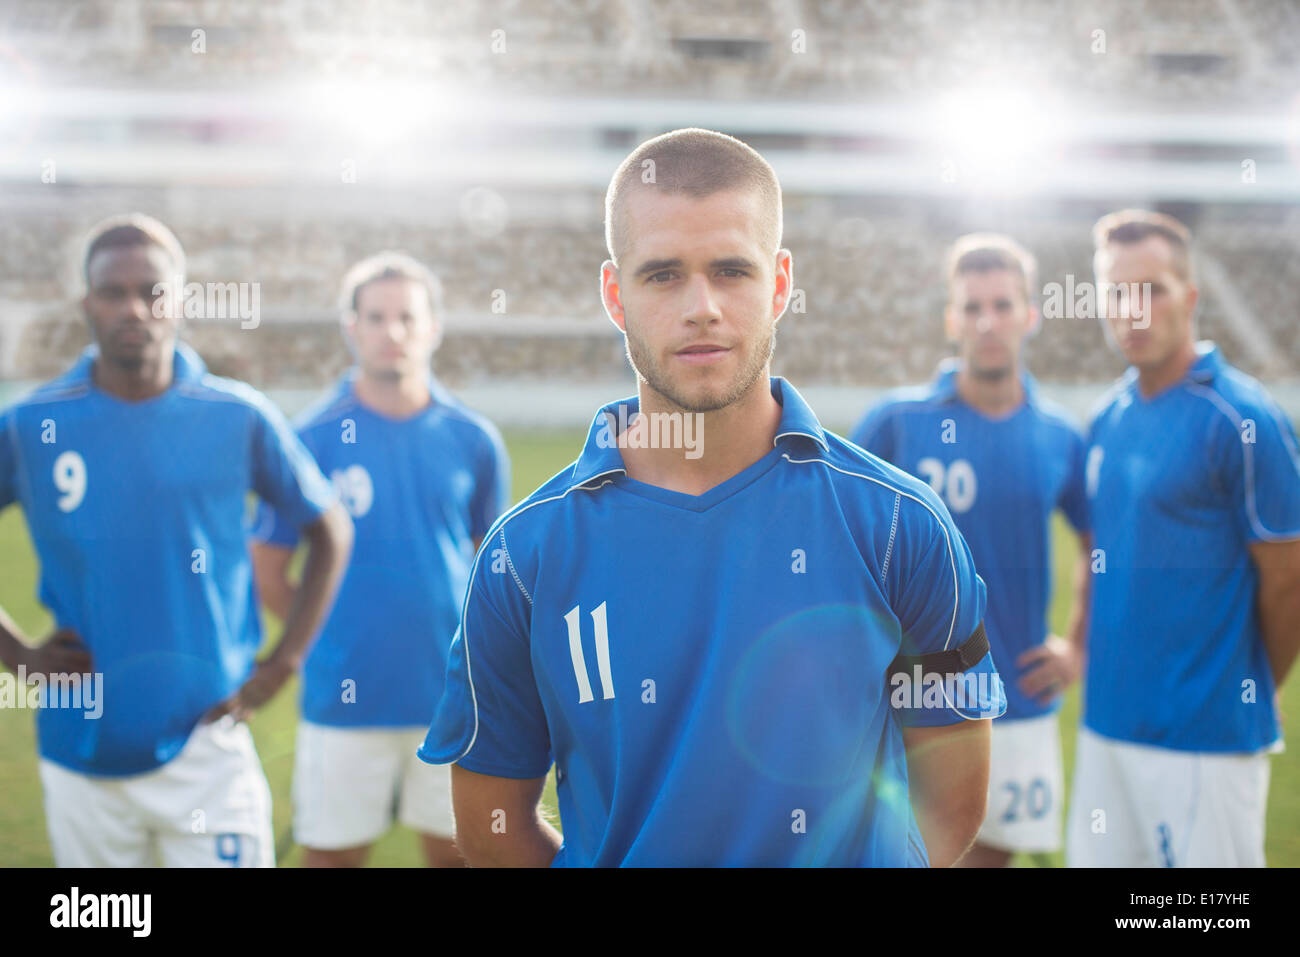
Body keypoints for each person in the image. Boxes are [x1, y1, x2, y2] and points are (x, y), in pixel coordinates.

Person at [418, 128, 1005, 867]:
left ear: (780, 284)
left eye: (731, 271)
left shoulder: (899, 526)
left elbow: (950, 804)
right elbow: (490, 828)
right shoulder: (523, 555)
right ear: (615, 295)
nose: (702, 307)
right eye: (663, 275)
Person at [0, 213, 352, 867]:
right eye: (113, 292)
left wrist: (284, 662)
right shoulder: (31, 424)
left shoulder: (237, 415)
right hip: (82, 752)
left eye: (152, 291)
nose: (134, 308)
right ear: (87, 304)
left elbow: (330, 527)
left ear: (181, 301)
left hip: (209, 741)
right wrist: (17, 654)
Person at [252, 252, 510, 867]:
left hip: (451, 697)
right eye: (375, 317)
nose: (392, 331)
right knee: (332, 859)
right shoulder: (310, 438)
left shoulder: (473, 439)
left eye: (407, 317)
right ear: (352, 327)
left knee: (459, 856)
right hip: (345, 699)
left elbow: (493, 571)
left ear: (433, 328)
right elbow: (267, 567)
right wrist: (331, 638)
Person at [1066, 208, 1300, 867]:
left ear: (1190, 297)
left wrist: (1248, 683)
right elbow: (1099, 549)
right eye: (1117, 293)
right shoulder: (1107, 416)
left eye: (1153, 290)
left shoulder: (1242, 418)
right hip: (1106, 727)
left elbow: (1288, 579)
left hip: (1204, 737)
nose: (1133, 311)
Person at [852, 234, 1092, 867]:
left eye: (1002, 305)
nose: (988, 322)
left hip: (1018, 700)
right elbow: (839, 536)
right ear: (951, 320)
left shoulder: (1059, 435)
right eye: (973, 307)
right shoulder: (897, 423)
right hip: (911, 699)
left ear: (1029, 315)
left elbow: (1099, 540)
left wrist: (1078, 643)